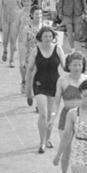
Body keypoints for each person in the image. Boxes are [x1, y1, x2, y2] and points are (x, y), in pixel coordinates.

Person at [27, 25, 65, 155]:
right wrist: (28, 91)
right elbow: (30, 69)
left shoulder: (58, 49)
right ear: (40, 38)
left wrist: (78, 66)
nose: (48, 39)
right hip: (39, 84)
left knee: (51, 115)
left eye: (50, 36)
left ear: (53, 37)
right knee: (43, 114)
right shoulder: (35, 50)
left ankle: (48, 138)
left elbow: (65, 67)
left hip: (55, 85)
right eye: (45, 36)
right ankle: (42, 142)